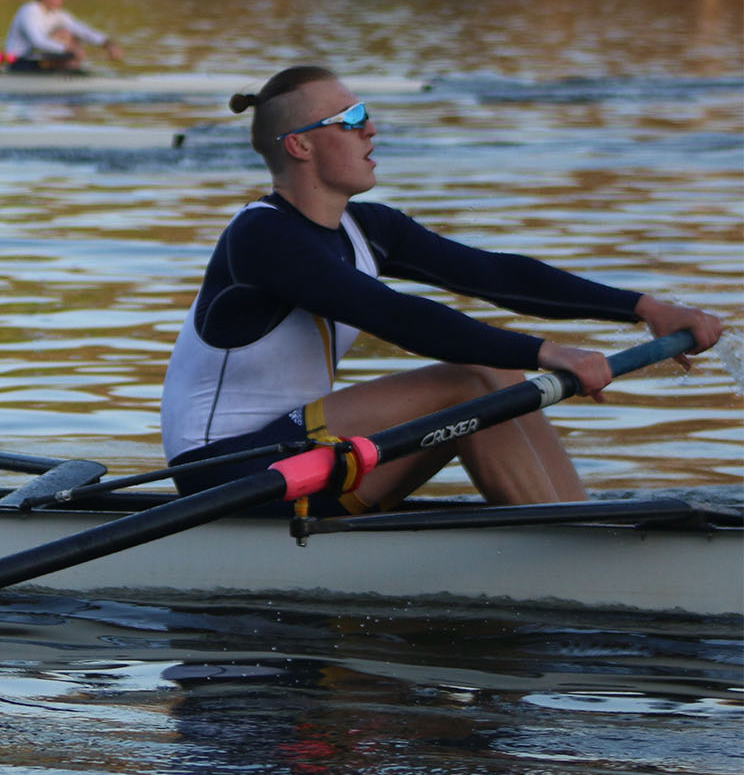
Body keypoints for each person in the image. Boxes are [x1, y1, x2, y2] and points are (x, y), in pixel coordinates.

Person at [158, 66, 725, 515]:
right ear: (301, 146)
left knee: (497, 373)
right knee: (471, 378)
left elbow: (495, 274)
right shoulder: (261, 236)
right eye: (351, 117)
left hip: (298, 457)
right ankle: (567, 552)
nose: (371, 128)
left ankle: (570, 523)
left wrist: (646, 307)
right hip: (226, 473)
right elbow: (393, 315)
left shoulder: (368, 227)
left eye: (367, 115)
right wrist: (548, 352)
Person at [3, 0, 122, 72]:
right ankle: (69, 78)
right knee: (63, 35)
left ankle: (71, 75)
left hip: (39, 60)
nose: (60, 2)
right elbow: (37, 41)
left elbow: (82, 30)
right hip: (20, 62)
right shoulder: (29, 11)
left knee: (71, 35)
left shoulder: (56, 14)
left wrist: (107, 44)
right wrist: (69, 49)